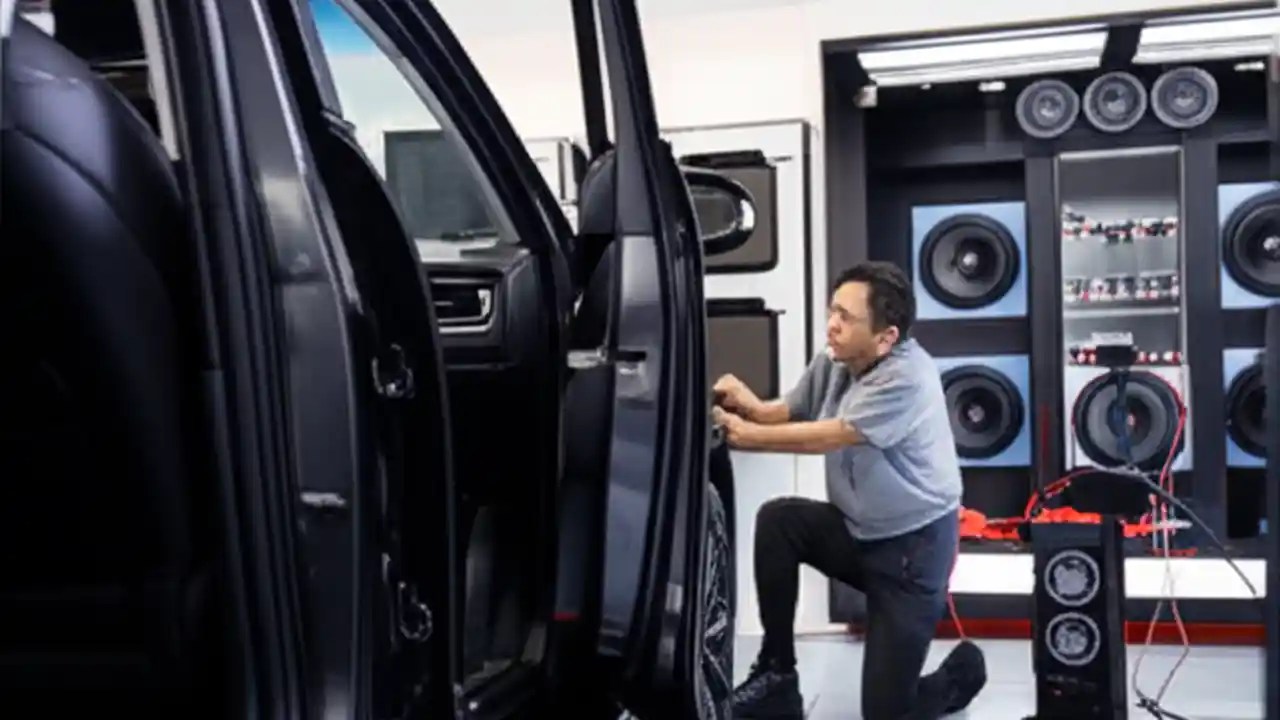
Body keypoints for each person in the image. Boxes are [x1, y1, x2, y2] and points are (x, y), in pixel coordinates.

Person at [713, 261, 987, 720]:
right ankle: (777, 675)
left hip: (910, 557)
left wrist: (744, 434)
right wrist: (751, 406)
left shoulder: (906, 378)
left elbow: (830, 434)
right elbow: (795, 411)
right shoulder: (838, 358)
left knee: (885, 713)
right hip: (859, 536)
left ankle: (960, 676)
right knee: (780, 521)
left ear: (886, 337)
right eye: (832, 310)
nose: (832, 325)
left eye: (847, 317)